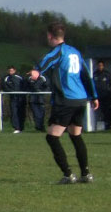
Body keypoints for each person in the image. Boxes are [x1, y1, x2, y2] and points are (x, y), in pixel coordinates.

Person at [38, 22, 97, 184]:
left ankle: (68, 174)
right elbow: (86, 75)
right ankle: (86, 174)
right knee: (75, 135)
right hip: (80, 100)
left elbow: (47, 60)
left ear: (50, 36)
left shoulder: (59, 51)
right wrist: (93, 96)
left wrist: (37, 70)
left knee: (52, 137)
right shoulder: (75, 52)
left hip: (66, 100)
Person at [24, 67, 49, 131]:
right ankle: (38, 127)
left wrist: (40, 91)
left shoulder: (43, 78)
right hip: (32, 99)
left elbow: (45, 86)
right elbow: (27, 85)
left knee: (41, 114)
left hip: (41, 99)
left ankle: (41, 127)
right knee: (36, 114)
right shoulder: (29, 78)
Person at [2, 66, 26, 133]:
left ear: (14, 70)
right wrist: (11, 92)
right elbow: (5, 87)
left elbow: (24, 85)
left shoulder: (20, 77)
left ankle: (21, 127)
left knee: (21, 113)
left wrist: (21, 93)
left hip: (21, 98)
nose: (10, 72)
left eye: (12, 71)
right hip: (13, 98)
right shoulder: (6, 78)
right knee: (14, 113)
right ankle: (16, 128)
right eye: (9, 71)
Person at [92, 60, 111, 131]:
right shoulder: (95, 74)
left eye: (101, 66)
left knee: (107, 111)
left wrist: (110, 92)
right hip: (98, 97)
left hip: (106, 96)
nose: (100, 67)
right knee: (99, 111)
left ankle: (110, 124)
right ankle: (100, 125)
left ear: (103, 66)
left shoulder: (107, 74)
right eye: (99, 66)